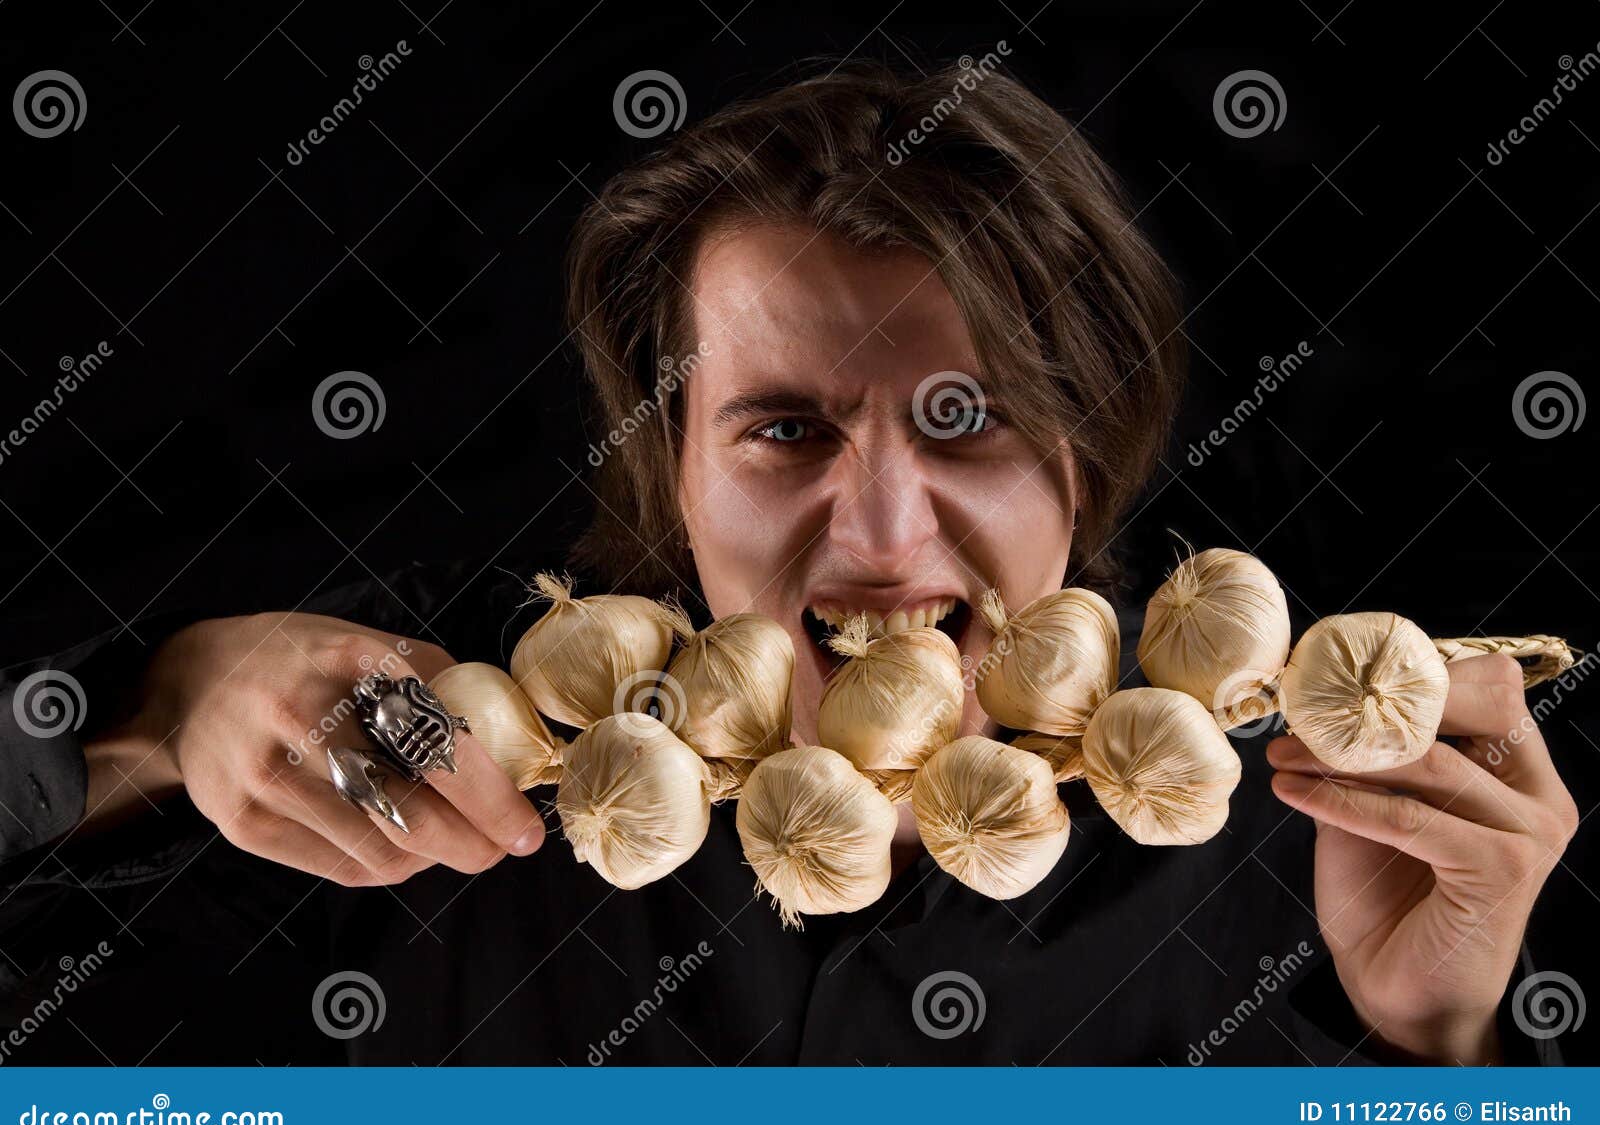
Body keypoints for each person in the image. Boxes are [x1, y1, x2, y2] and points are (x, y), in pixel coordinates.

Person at [0, 60, 1576, 1066]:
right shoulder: (400, 744)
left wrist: (1436, 1049)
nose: (883, 536)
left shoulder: (1310, 849)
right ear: (670, 463)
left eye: (969, 424)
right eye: (783, 430)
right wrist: (151, 717)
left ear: (1080, 459)